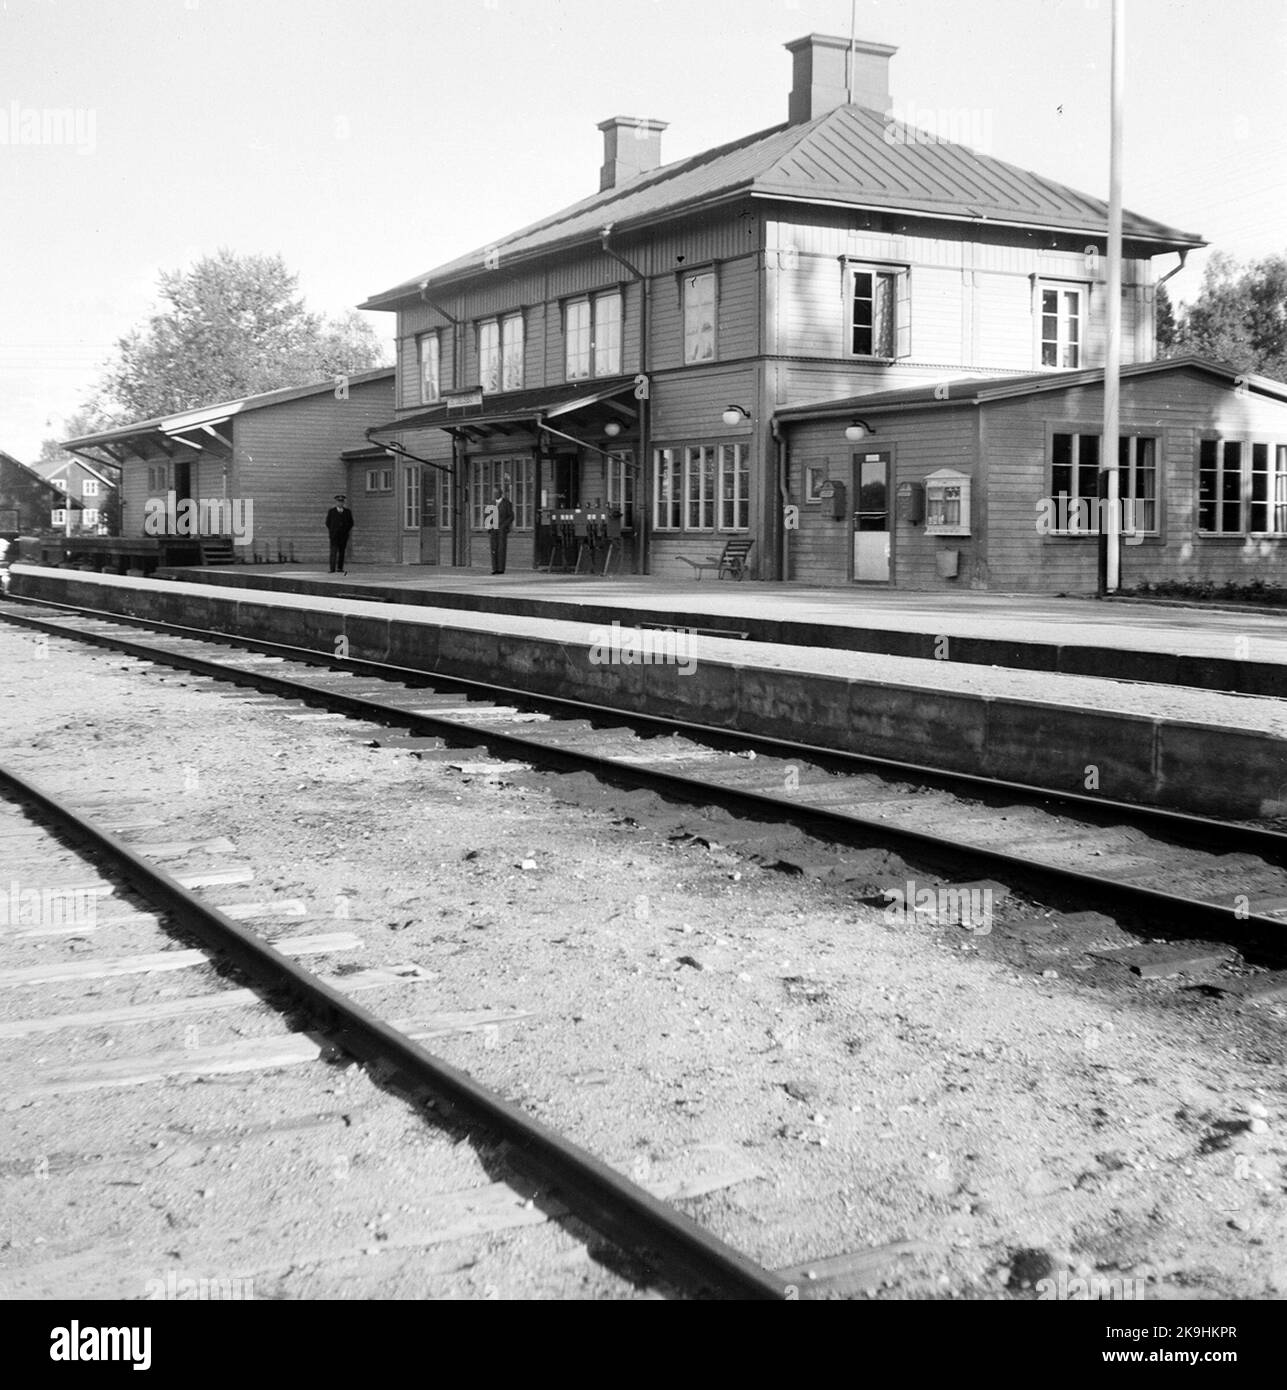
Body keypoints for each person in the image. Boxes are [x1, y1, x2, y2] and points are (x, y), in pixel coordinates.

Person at [488, 486, 515, 574]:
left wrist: (504, 526)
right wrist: (489, 526)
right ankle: (494, 568)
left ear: (501, 493)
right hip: (493, 529)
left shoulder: (507, 503)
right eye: (494, 493)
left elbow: (511, 516)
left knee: (501, 549)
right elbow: (488, 516)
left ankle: (501, 568)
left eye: (496, 493)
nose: (495, 495)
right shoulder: (491, 503)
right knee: (494, 548)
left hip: (502, 529)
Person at [326, 494, 353, 574]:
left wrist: (345, 530)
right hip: (334, 536)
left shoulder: (347, 512)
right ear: (336, 502)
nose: (340, 503)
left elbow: (351, 523)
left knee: (342, 552)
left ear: (343, 503)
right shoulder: (332, 511)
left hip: (343, 536)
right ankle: (332, 568)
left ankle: (340, 568)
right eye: (338, 502)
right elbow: (328, 523)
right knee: (333, 552)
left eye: (342, 502)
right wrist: (332, 531)